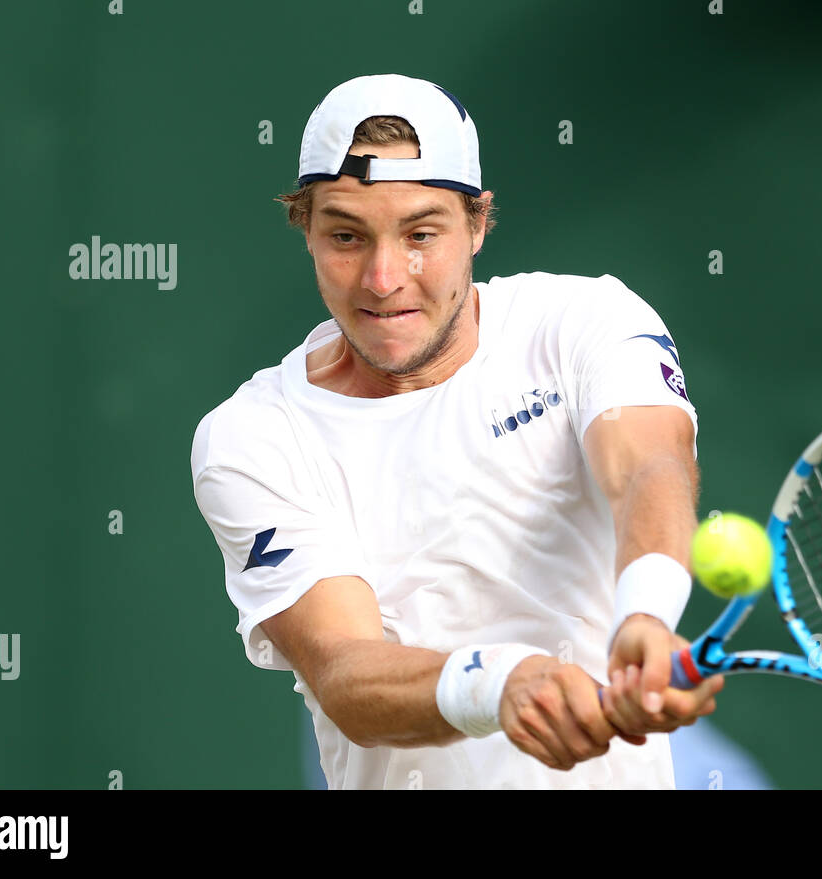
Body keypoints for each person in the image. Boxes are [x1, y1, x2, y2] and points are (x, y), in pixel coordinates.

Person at [191, 73, 722, 789]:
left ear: (477, 223)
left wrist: (648, 614)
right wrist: (500, 683)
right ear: (306, 231)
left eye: (421, 233)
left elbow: (648, 468)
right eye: (346, 235)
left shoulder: (586, 322)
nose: (383, 278)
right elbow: (345, 670)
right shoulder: (250, 438)